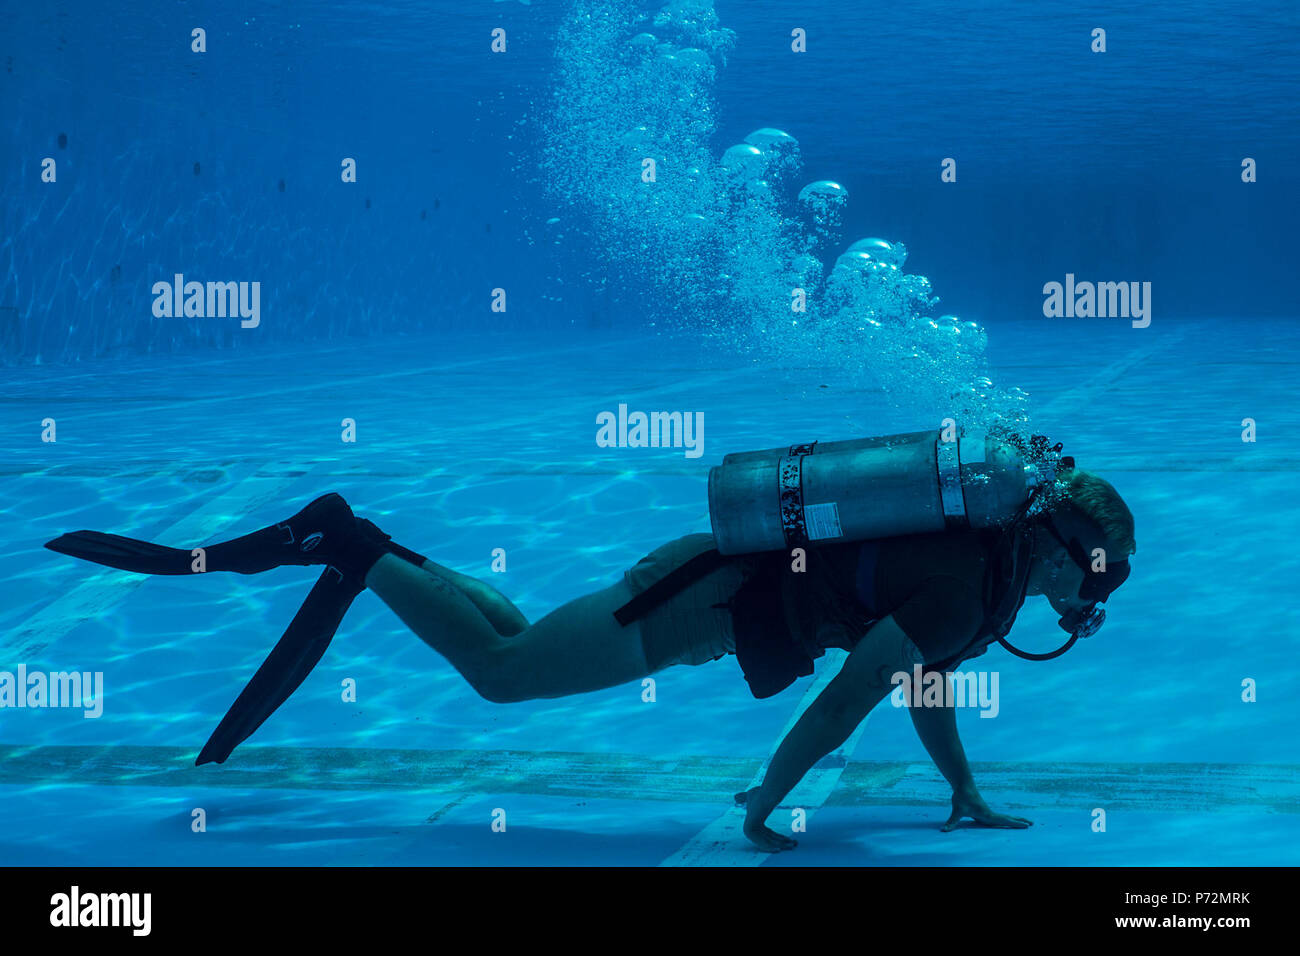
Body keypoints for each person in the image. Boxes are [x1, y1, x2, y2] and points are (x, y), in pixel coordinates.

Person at [45, 465, 1133, 852]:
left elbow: (919, 679)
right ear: (1070, 555)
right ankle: (348, 541)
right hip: (702, 594)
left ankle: (369, 549)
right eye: (1104, 577)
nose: (1097, 601)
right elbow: (853, 696)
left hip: (715, 588)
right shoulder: (969, 579)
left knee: (516, 642)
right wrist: (768, 797)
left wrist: (964, 788)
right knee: (504, 672)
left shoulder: (981, 581)